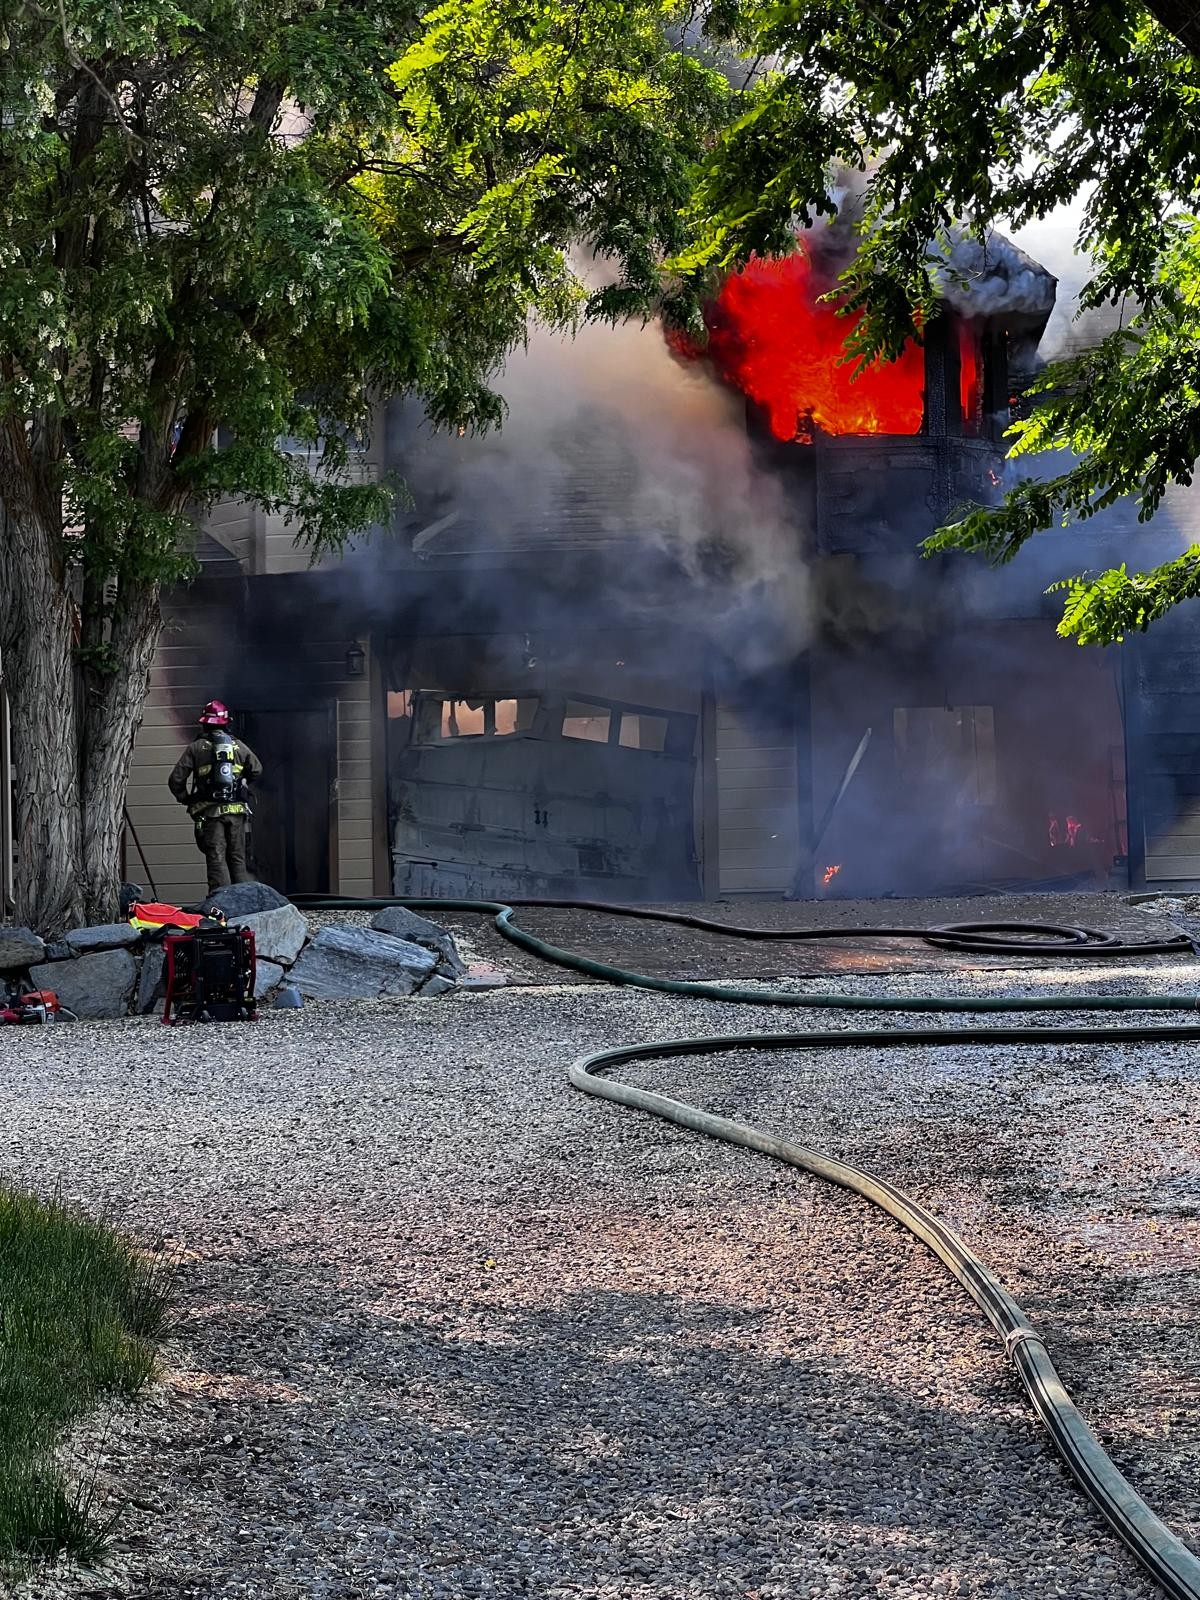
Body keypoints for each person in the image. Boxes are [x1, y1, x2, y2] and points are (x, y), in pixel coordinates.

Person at [168, 701, 263, 893]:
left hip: (210, 813)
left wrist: (187, 798)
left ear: (205, 723)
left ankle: (221, 907)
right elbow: (257, 769)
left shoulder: (196, 748)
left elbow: (176, 780)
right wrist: (243, 781)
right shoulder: (239, 746)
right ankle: (244, 903)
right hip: (237, 812)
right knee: (238, 858)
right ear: (226, 723)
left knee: (217, 857)